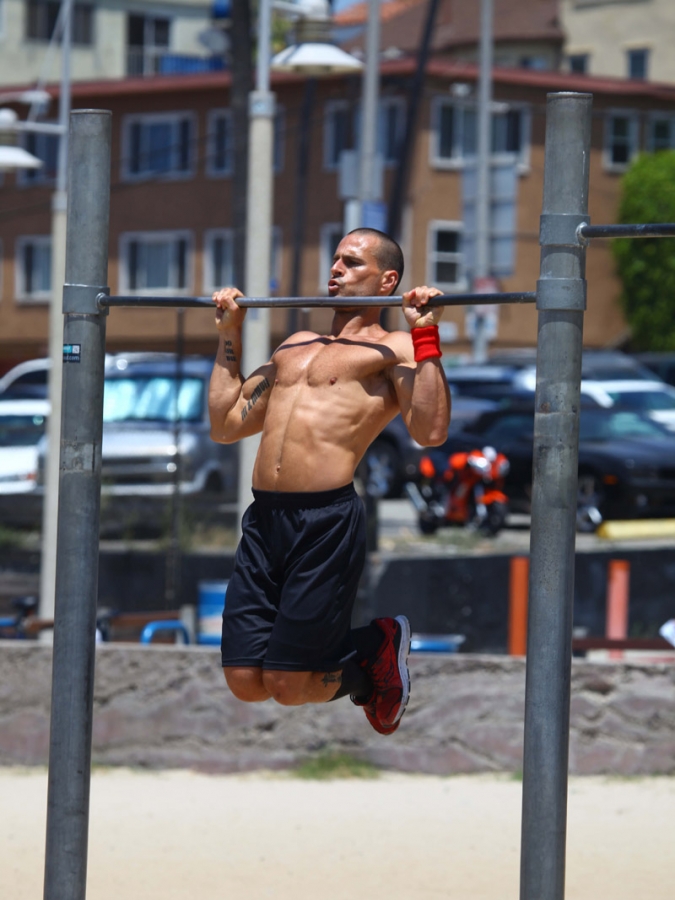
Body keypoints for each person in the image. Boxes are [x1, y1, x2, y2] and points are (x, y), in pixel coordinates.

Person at [208, 227, 451, 735]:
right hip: (265, 519)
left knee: (289, 685)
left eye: (352, 262)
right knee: (245, 681)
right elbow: (226, 424)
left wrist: (426, 334)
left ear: (388, 280)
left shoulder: (393, 349)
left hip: (324, 522)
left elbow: (430, 431)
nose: (335, 270)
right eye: (335, 259)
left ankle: (373, 653)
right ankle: (371, 651)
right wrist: (229, 333)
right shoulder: (294, 346)